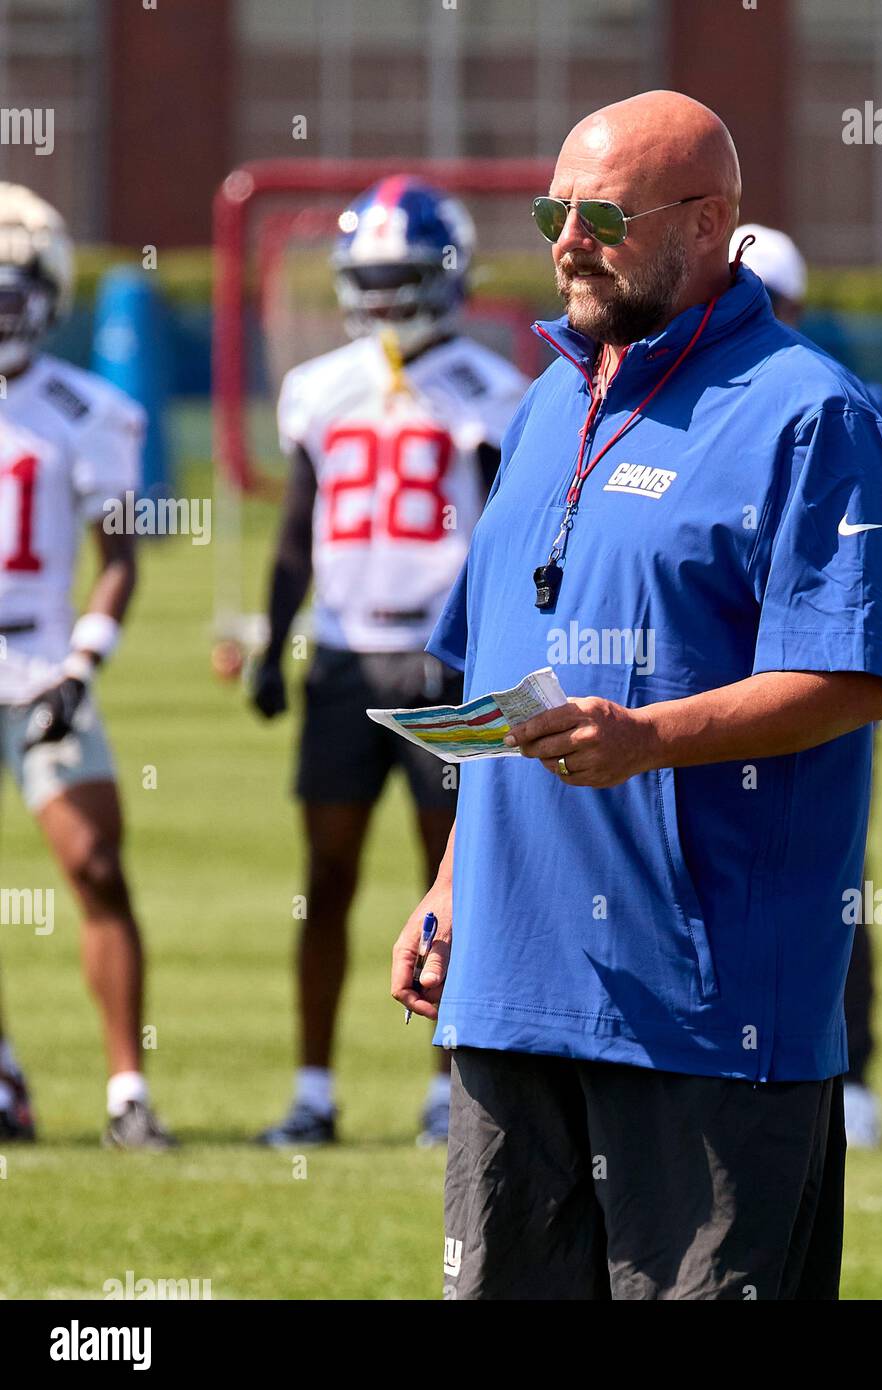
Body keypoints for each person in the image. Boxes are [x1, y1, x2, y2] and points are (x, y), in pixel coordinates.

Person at [391, 90, 882, 1300]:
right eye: (554, 212)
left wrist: (648, 738)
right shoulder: (540, 404)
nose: (568, 239)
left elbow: (848, 674)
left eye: (603, 214)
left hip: (708, 1011)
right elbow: (498, 684)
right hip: (513, 996)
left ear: (708, 221)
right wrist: (453, 880)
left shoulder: (809, 412)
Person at [251, 179, 528, 1147]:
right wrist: (268, 640)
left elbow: (503, 543)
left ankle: (445, 1086)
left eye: (400, 277)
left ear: (444, 277)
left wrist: (486, 658)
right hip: (340, 652)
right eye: (368, 279)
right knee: (325, 874)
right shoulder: (320, 386)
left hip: (440, 663)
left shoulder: (494, 394)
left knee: (447, 878)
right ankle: (313, 1088)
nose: (381, 297)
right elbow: (296, 534)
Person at [732, 223, 882, 1148]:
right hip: (704, 685)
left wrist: (824, 623)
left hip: (808, 677)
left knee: (827, 869)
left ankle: (847, 1075)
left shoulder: (837, 400)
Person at [0, 183, 173, 1150]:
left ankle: (125, 1091)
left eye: (9, 292)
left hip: (38, 662)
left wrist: (81, 664)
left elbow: (119, 563)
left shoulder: (84, 407)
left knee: (95, 864)